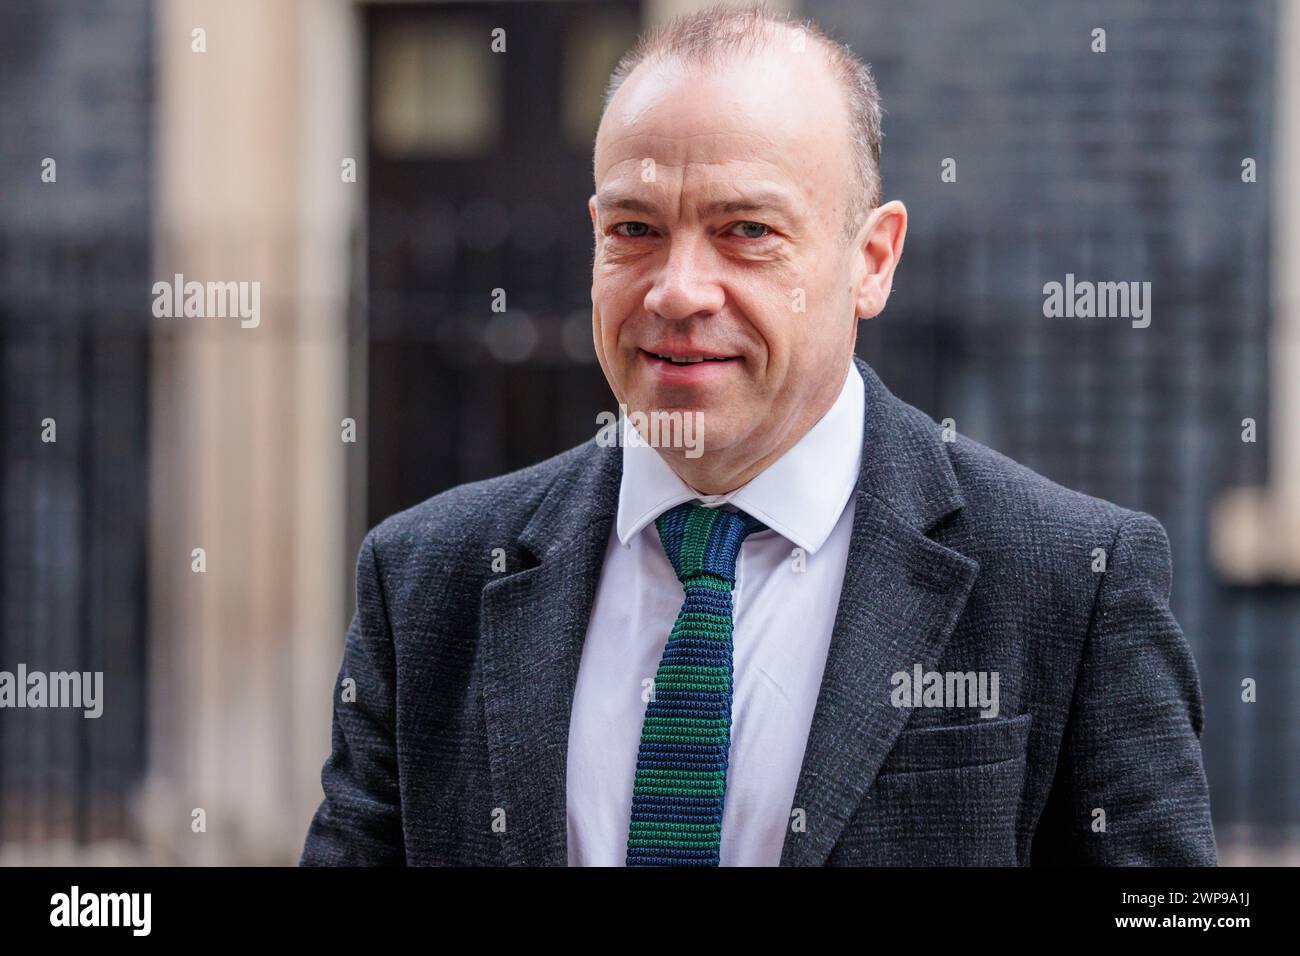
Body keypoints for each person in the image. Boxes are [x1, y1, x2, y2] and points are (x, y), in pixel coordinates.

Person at [301, 4, 1215, 866]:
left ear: (872, 260)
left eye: (745, 230)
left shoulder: (1069, 584)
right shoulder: (425, 580)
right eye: (635, 229)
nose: (677, 291)